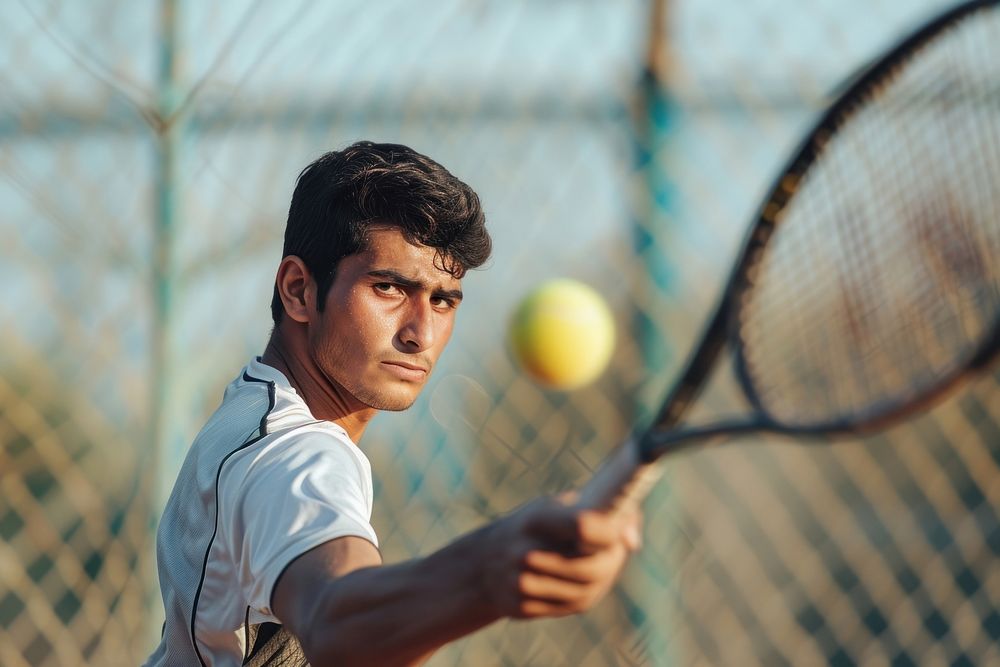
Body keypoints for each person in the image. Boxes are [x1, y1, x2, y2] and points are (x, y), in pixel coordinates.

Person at [145, 141, 641, 667]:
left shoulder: (251, 409)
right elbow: (337, 621)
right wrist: (487, 571)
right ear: (298, 290)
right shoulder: (296, 455)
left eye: (443, 300)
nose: (420, 333)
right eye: (388, 288)